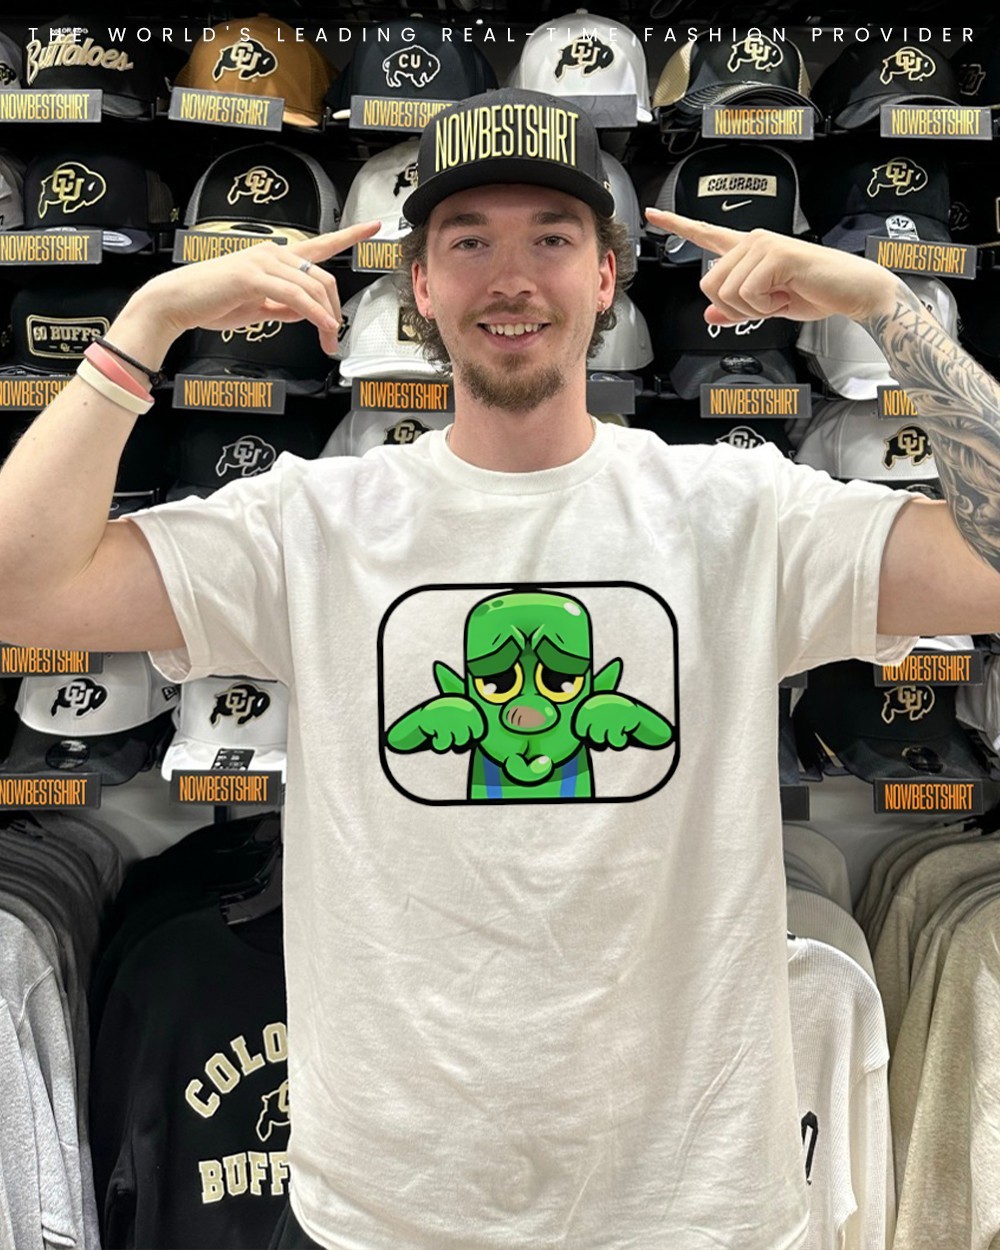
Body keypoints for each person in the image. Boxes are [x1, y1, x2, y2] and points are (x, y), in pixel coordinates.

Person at [0, 86, 999, 1250]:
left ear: (607, 275)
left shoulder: (740, 514)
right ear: (418, 286)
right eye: (468, 242)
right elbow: (27, 588)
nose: (511, 278)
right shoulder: (311, 522)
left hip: (686, 1198)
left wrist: (889, 310)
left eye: (552, 239)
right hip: (392, 1199)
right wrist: (148, 322)